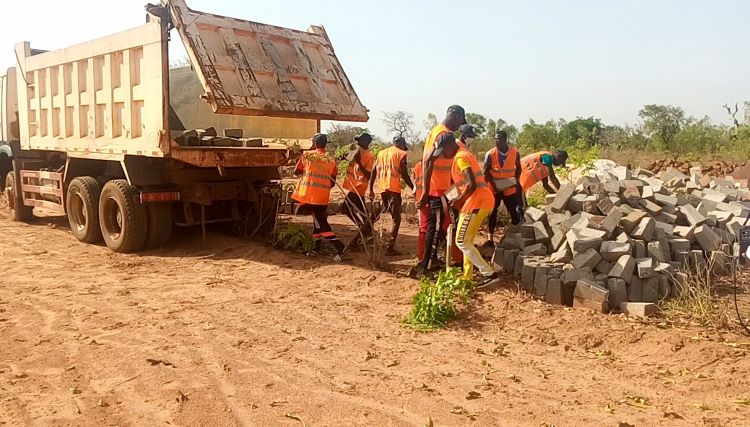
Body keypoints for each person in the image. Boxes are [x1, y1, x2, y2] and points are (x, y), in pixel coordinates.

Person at [439, 133, 500, 287]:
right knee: (467, 241)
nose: (443, 155)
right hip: (480, 202)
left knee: (461, 240)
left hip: (477, 203)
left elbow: (471, 184)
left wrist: (458, 201)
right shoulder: (463, 155)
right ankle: (467, 276)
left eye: (443, 151)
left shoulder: (460, 157)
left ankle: (489, 273)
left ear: (450, 146)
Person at [418, 105, 467, 273]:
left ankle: (433, 260)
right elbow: (429, 161)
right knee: (436, 227)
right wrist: (425, 191)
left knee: (445, 225)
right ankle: (427, 265)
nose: (460, 125)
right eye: (460, 121)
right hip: (437, 190)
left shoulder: (438, 131)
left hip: (444, 188)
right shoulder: (444, 135)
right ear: (455, 116)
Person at [292, 133, 346, 262]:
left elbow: (296, 171)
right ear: (325, 144)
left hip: (310, 196)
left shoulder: (307, 155)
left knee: (321, 224)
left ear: (314, 144)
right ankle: (315, 249)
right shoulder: (331, 158)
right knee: (317, 222)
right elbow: (332, 181)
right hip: (323, 196)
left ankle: (340, 247)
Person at [369, 136, 414, 255]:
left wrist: (371, 189)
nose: (404, 149)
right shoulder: (401, 153)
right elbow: (404, 174)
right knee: (396, 218)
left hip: (382, 188)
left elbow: (373, 171)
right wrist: (414, 188)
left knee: (376, 214)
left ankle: (360, 236)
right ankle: (390, 248)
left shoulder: (381, 153)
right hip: (393, 188)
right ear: (400, 143)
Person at [484, 131, 525, 243]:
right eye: (495, 139)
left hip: (509, 187)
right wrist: (493, 184)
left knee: (513, 211)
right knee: (492, 213)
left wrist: (515, 180)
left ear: (504, 140)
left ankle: (516, 236)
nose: (496, 141)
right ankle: (490, 238)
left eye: (498, 139)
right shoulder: (490, 154)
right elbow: (485, 171)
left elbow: (519, 168)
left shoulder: (514, 153)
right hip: (494, 188)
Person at [341, 132, 375, 249]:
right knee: (363, 211)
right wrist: (345, 155)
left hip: (359, 185)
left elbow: (369, 174)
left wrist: (359, 161)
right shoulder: (357, 151)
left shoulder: (369, 156)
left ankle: (362, 226)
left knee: (345, 207)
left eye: (359, 141)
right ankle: (368, 231)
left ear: (366, 142)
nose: (357, 143)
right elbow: (346, 159)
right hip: (354, 185)